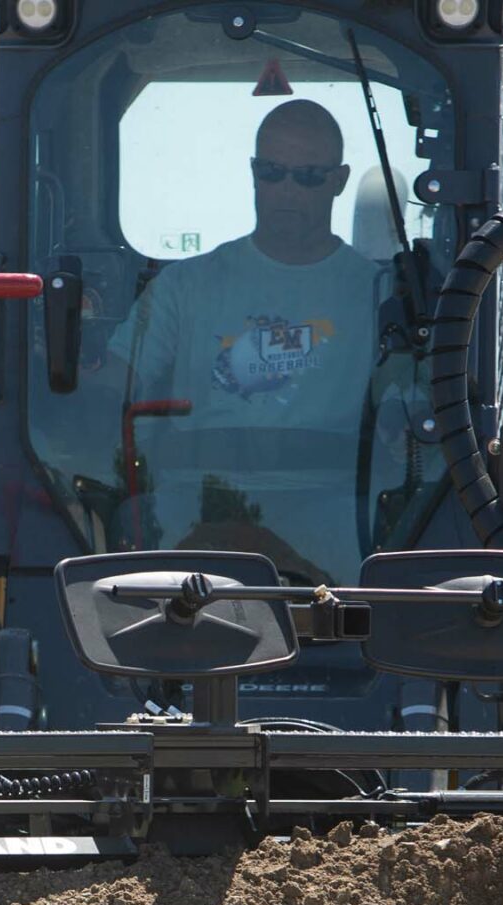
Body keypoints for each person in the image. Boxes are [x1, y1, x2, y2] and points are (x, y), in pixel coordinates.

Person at [124, 98, 385, 581]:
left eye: (307, 176)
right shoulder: (185, 287)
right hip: (196, 513)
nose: (286, 191)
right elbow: (114, 389)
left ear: (339, 181)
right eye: (272, 172)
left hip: (336, 523)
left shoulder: (377, 296)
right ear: (252, 172)